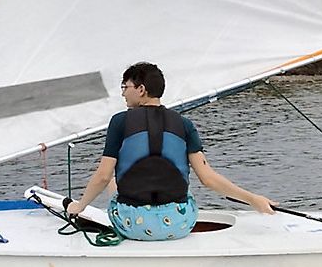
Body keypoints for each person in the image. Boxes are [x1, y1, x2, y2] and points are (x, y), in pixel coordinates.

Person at [66, 62, 275, 241]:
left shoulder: (120, 121)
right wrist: (253, 199)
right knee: (182, 186)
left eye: (125, 87)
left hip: (133, 226)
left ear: (141, 89)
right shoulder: (185, 124)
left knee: (113, 180)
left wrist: (80, 206)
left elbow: (103, 176)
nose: (122, 93)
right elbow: (208, 178)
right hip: (179, 224)